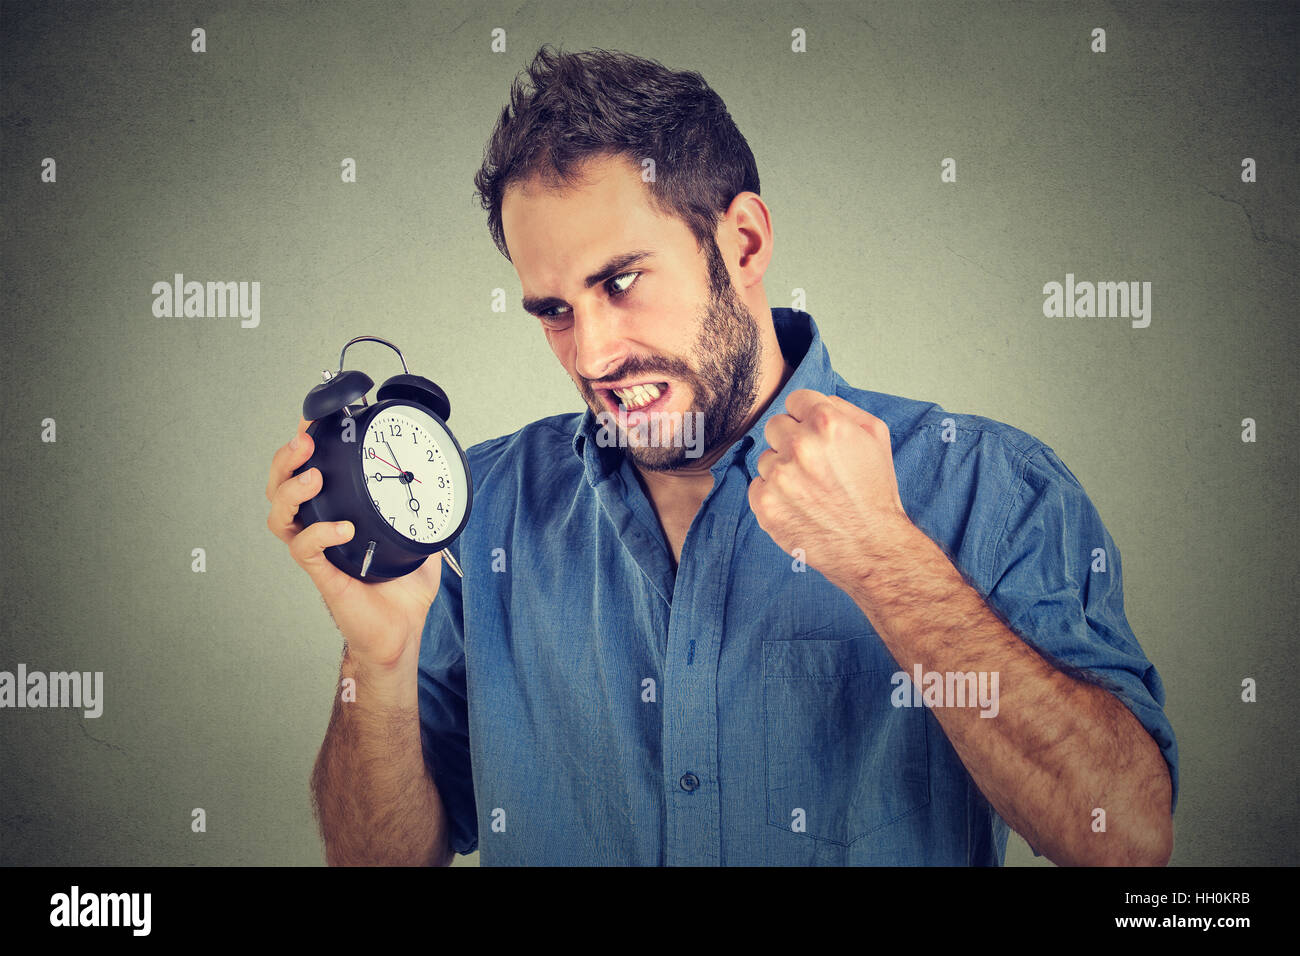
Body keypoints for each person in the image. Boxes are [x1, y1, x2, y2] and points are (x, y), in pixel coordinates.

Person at [265, 45, 1177, 866]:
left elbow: (1126, 842)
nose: (591, 355)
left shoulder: (988, 487)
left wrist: (886, 563)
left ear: (742, 241)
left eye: (620, 283)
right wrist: (375, 661)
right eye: (552, 311)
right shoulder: (481, 512)